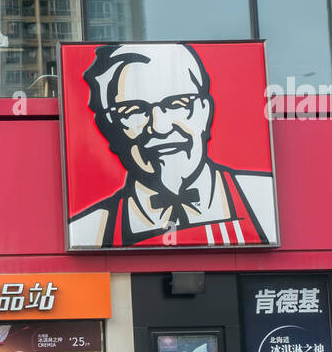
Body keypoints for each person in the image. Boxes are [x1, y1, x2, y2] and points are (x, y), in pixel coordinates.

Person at [69, 42, 277, 248]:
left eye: (177, 104)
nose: (160, 127)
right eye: (133, 110)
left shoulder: (264, 200)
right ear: (108, 127)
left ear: (204, 111)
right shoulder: (89, 229)